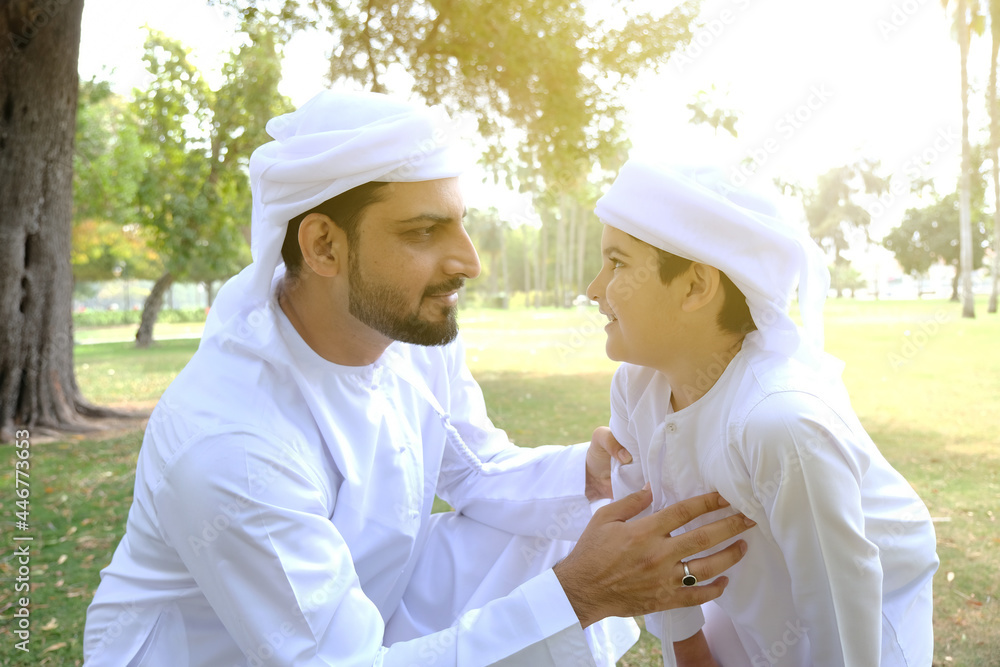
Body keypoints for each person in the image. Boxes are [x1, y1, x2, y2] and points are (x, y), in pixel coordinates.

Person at [81, 91, 756, 666]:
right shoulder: (229, 443)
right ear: (323, 246)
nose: (468, 260)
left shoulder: (408, 337)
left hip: (371, 603)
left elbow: (475, 469)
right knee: (570, 573)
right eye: (424, 230)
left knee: (571, 519)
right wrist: (581, 593)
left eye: (460, 223)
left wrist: (592, 473)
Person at [586, 159, 939, 667]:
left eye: (617, 263)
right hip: (750, 608)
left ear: (695, 287)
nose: (595, 289)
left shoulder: (780, 424)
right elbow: (653, 545)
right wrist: (689, 651)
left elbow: (841, 606)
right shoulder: (637, 386)